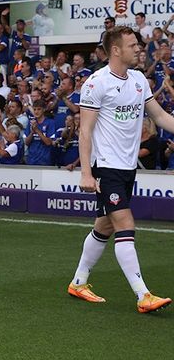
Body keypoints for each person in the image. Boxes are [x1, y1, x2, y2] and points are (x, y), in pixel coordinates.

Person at [68, 26, 174, 313]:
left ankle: (78, 283)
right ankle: (143, 296)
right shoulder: (96, 83)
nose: (139, 49)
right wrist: (86, 173)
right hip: (106, 168)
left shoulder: (139, 80)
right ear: (115, 50)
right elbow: (85, 131)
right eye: (132, 45)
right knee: (125, 224)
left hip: (127, 168)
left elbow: (161, 117)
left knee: (104, 226)